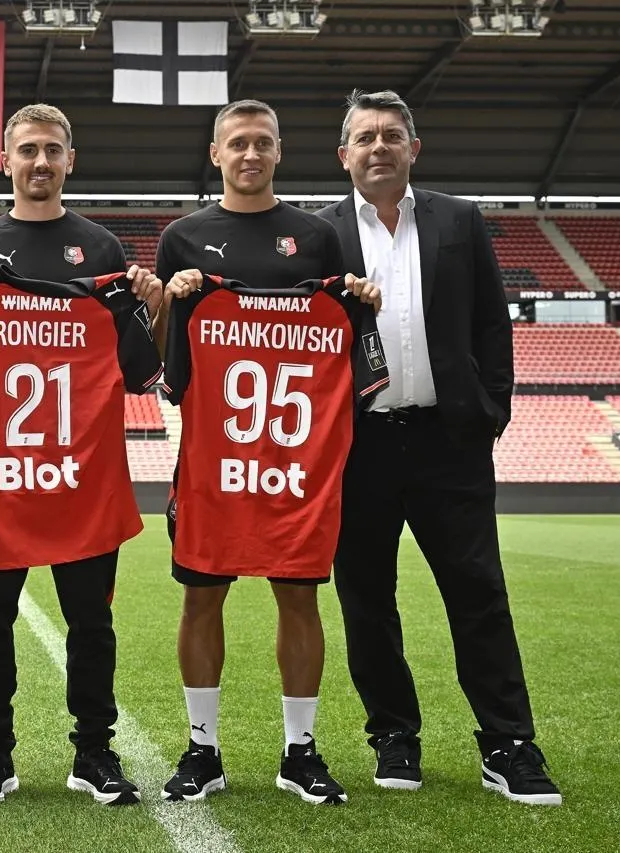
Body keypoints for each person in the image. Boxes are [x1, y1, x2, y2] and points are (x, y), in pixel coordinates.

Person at [318, 89, 561, 806]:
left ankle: (508, 744)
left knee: (478, 593)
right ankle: (394, 735)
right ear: (343, 154)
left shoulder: (458, 219)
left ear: (413, 148)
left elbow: (491, 321)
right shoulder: (319, 232)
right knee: (367, 599)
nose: (379, 147)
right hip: (358, 445)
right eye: (365, 137)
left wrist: (490, 409)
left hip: (448, 441)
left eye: (392, 135)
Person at [0, 103, 163, 806]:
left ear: (70, 160)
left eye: (52, 149)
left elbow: (138, 372)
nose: (40, 161)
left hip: (81, 477)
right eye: (27, 149)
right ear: (5, 160)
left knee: (92, 621)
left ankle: (94, 751)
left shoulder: (102, 250)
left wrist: (150, 306)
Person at [153, 99, 380, 806]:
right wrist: (170, 300)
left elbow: (341, 319)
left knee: (299, 596)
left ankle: (300, 752)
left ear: (279, 151)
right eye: (237, 143)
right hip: (214, 458)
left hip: (293, 461)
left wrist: (360, 297)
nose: (250, 154)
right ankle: (203, 749)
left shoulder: (317, 236)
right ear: (215, 154)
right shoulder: (183, 238)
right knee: (201, 596)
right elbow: (162, 355)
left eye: (262, 142)